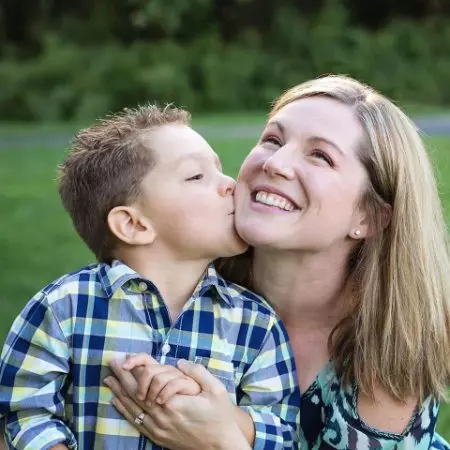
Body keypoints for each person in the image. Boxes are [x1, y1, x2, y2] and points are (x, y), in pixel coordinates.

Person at [104, 75, 450, 449]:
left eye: (320, 156)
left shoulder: (396, 330)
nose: (276, 163)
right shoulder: (177, 286)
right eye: (272, 140)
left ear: (368, 218)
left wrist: (223, 443)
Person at [0, 105, 300, 449]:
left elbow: (280, 430)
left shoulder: (256, 323)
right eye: (196, 176)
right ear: (134, 225)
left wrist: (220, 418)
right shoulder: (63, 307)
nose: (231, 185)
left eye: (219, 170)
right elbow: (21, 408)